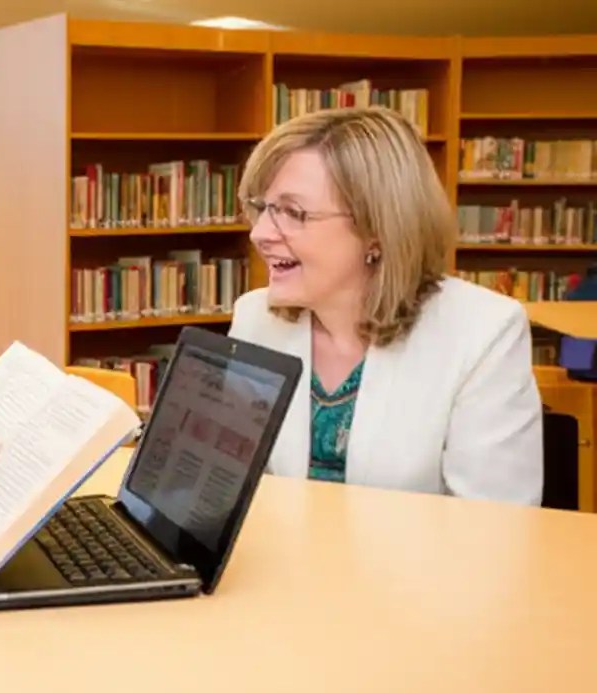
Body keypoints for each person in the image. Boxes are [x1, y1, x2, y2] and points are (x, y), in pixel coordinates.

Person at [228, 106, 543, 504]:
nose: (259, 234)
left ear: (377, 229)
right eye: (262, 208)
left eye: (292, 212)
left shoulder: (484, 334)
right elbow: (230, 487)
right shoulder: (255, 319)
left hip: (421, 567)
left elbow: (495, 529)